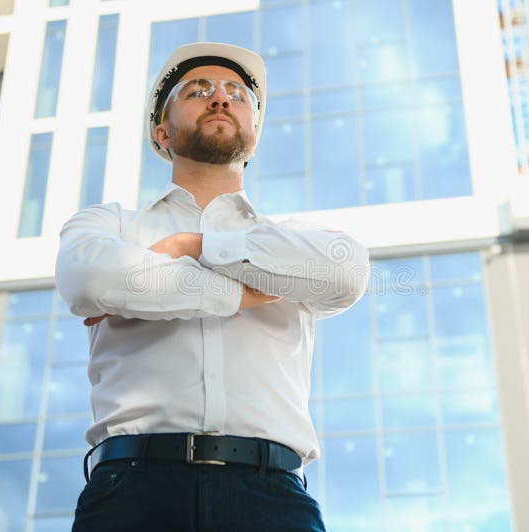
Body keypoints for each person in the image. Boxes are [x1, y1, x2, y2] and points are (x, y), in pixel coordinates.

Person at [55, 42, 371, 531]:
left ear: (253, 132)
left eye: (236, 94)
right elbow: (88, 277)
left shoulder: (296, 237)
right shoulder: (109, 225)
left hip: (272, 497)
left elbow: (346, 271)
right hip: (130, 491)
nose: (220, 98)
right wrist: (241, 293)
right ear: (162, 131)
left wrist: (191, 245)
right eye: (197, 91)